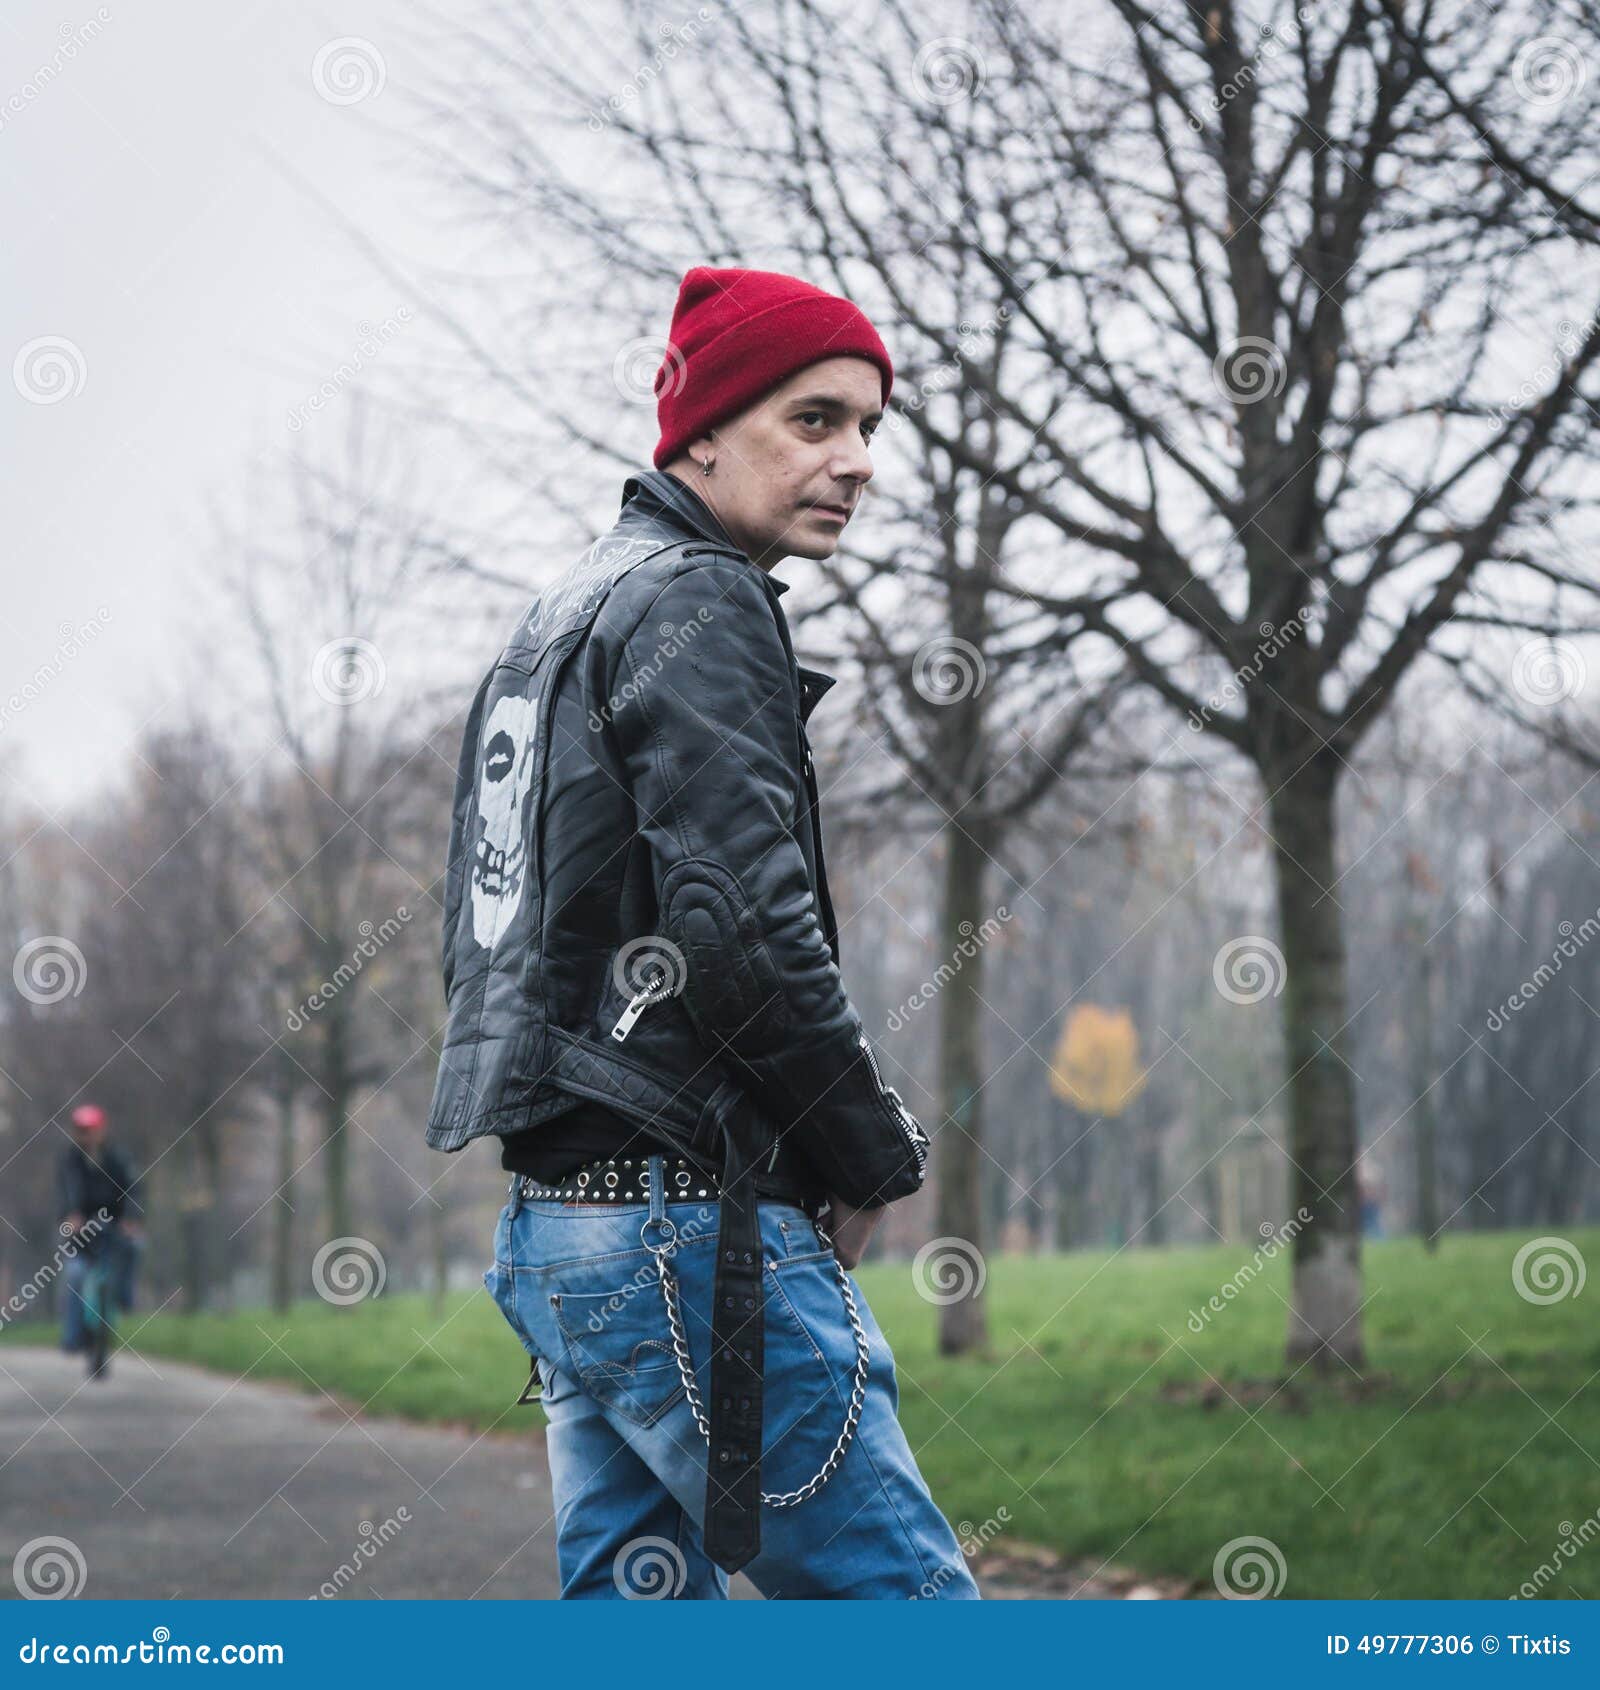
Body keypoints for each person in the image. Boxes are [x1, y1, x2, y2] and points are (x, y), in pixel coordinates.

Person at [426, 266, 979, 1599]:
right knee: (904, 1615)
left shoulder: (557, 618)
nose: (855, 462)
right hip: (684, 1223)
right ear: (706, 430)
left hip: (560, 1226)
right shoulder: (697, 596)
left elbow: (499, 938)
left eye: (868, 428)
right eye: (815, 419)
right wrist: (865, 1151)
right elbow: (740, 933)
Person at [57, 1102, 142, 1362]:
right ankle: (73, 1337)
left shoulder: (118, 1158)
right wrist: (70, 1217)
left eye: (91, 1129)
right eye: (81, 1129)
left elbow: (134, 1189)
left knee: (136, 1248)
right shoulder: (69, 1161)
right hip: (82, 1231)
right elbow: (64, 1194)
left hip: (114, 1226)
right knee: (75, 1274)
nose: (86, 1134)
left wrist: (131, 1219)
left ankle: (125, 1299)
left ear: (102, 1129)